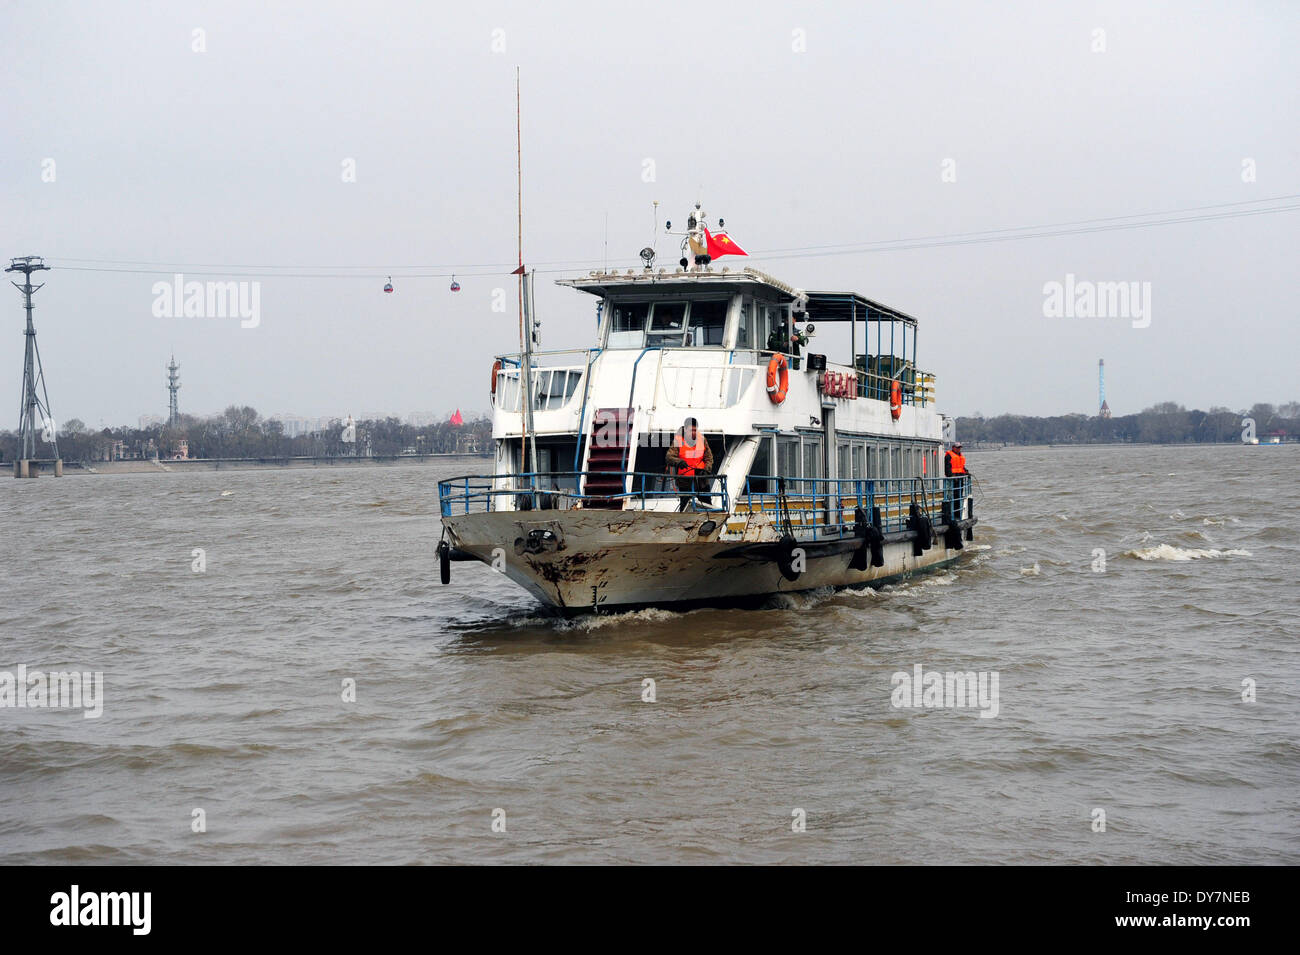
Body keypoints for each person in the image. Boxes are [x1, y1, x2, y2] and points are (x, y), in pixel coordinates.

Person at [666, 416, 714, 510]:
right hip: (685, 482)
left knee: (708, 507)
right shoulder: (678, 441)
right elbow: (669, 457)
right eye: (691, 430)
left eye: (695, 430)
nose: (693, 433)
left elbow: (709, 458)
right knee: (684, 507)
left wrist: (706, 470)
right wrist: (679, 462)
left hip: (701, 481)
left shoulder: (702, 440)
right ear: (685, 429)